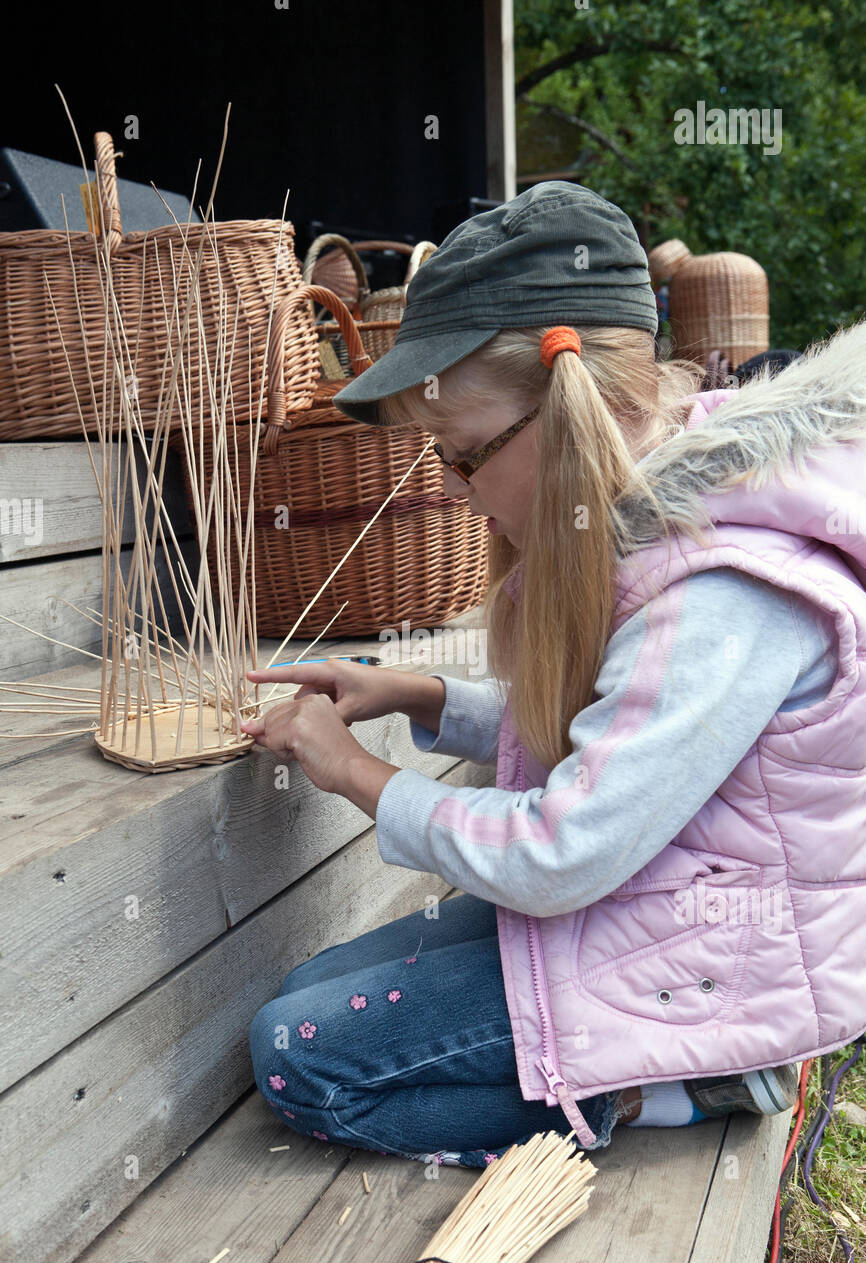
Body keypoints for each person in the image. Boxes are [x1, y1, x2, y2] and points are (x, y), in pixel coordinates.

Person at [242, 182, 866, 1168]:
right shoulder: (644, 518)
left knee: (297, 1055)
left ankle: (681, 1081)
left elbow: (561, 849)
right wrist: (418, 696)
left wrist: (353, 773)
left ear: (565, 402)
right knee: (298, 991)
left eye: (460, 457)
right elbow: (611, 730)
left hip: (706, 964)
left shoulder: (721, 593)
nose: (453, 492)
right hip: (637, 908)